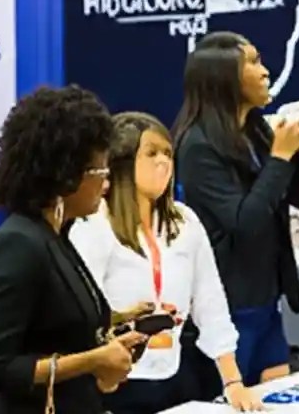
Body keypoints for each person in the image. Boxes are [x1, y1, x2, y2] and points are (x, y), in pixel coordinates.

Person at [71, 113, 262, 414]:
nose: (164, 163)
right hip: (113, 386)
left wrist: (233, 382)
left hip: (175, 376)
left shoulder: (185, 222)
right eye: (151, 154)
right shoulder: (95, 226)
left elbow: (211, 303)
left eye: (168, 153)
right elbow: (78, 317)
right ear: (122, 162)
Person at [0, 86, 146, 414]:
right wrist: (94, 360)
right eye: (100, 172)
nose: (106, 183)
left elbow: (56, 329)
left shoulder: (59, 235)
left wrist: (113, 340)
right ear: (65, 174)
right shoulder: (19, 245)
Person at [173, 32, 299, 386]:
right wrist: (281, 157)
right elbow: (244, 222)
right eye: (253, 62)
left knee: (276, 399)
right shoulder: (197, 147)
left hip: (267, 299)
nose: (265, 71)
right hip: (228, 307)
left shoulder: (257, 132)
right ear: (224, 79)